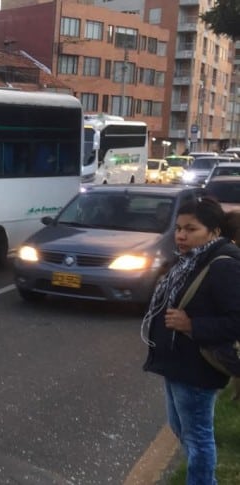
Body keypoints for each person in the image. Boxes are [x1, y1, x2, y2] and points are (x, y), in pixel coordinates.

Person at [142, 196, 240, 484]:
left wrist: (192, 325)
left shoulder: (224, 266)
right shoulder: (191, 260)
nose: (182, 235)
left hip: (198, 368)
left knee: (197, 438)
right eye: (179, 228)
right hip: (178, 364)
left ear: (214, 232)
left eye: (191, 229)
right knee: (182, 430)